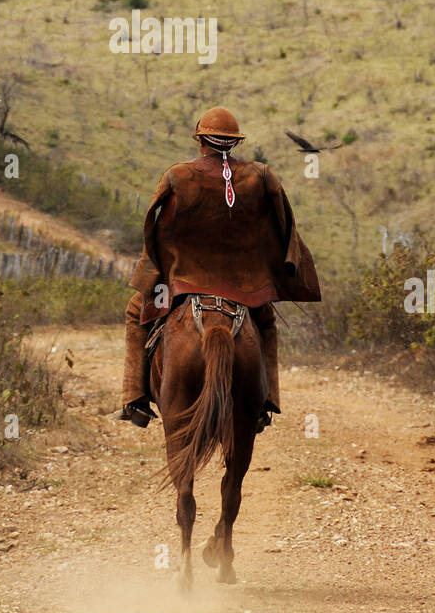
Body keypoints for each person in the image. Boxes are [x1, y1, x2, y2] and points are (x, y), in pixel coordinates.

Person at [119, 106, 321, 432]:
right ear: (235, 144)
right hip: (245, 287)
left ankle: (135, 398)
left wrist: (152, 276)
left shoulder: (177, 176)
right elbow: (283, 227)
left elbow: (158, 230)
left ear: (201, 143)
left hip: (186, 282)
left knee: (135, 311)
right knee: (265, 323)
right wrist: (276, 272)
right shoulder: (261, 177)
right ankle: (266, 402)